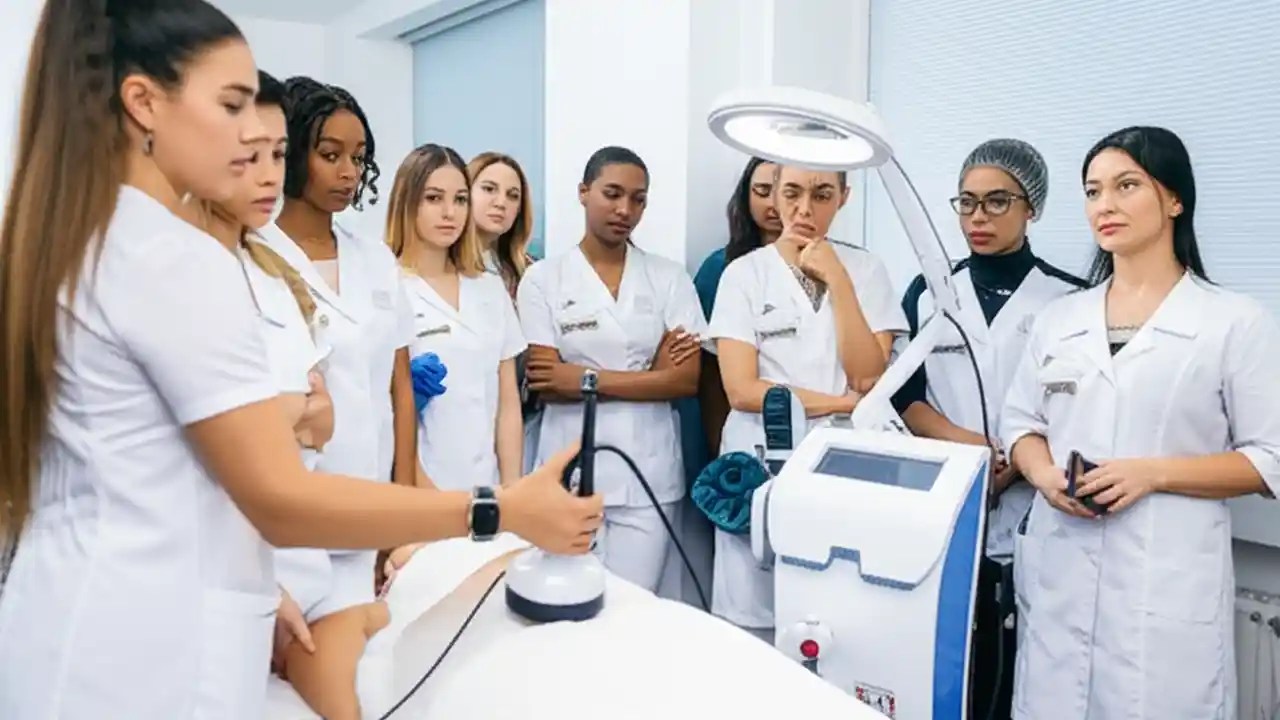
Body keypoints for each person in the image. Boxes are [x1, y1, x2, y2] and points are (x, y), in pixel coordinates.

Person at [0, 3, 599, 717]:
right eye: (231, 104)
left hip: (79, 624)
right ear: (143, 104)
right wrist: (499, 509)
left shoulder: (87, 239)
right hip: (145, 652)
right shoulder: (168, 258)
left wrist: (266, 582)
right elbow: (282, 498)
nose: (255, 133)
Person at [1001, 126, 1280, 719]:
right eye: (1093, 191)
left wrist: (1149, 474)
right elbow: (1021, 423)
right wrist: (1045, 474)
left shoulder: (1233, 321)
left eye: (1127, 186)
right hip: (1061, 574)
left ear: (1175, 199)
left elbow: (1268, 457)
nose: (1105, 205)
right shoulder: (1059, 319)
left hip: (1166, 585)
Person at [198, 71, 399, 720]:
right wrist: (298, 420)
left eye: (276, 155)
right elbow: (239, 428)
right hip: (260, 543)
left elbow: (333, 408)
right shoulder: (213, 264)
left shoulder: (279, 271)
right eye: (327, 154)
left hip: (334, 513)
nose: (265, 172)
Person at [888, 139, 1086, 718]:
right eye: (967, 202)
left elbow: (1080, 410)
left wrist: (1016, 465)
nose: (978, 216)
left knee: (1025, 667)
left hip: (1035, 507)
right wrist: (968, 449)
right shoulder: (929, 292)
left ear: (1034, 208)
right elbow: (905, 395)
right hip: (948, 497)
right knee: (952, 665)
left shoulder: (1070, 299)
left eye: (998, 201)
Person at [707, 163, 906, 641]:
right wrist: (840, 401)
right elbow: (742, 389)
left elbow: (868, 373)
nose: (803, 208)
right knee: (752, 624)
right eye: (791, 192)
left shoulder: (865, 270)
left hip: (841, 469)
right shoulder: (744, 275)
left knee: (831, 622)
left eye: (821, 194)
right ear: (771, 194)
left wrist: (837, 280)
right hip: (761, 466)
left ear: (843, 197)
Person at [517, 146, 705, 593]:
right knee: (568, 604)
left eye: (638, 199)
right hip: (567, 470)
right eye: (612, 194)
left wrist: (582, 378)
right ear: (584, 193)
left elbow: (685, 380)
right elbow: (547, 383)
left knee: (634, 609)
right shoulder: (544, 280)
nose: (625, 210)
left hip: (648, 475)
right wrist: (649, 375)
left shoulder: (669, 278)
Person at [258, 77, 417, 594]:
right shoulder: (251, 254)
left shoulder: (375, 259)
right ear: (292, 151)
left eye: (359, 157)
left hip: (369, 508)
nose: (349, 172)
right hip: (286, 518)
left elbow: (399, 390)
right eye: (331, 154)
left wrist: (403, 508)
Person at [389, 144, 527, 490]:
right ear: (407, 203)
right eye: (434, 198)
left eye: (461, 199)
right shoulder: (387, 287)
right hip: (419, 488)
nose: (450, 212)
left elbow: (508, 404)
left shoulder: (489, 289)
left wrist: (512, 491)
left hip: (487, 489)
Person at [691, 156, 783, 468]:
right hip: (741, 429)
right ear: (745, 197)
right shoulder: (720, 269)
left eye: (783, 191)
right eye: (761, 192)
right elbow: (709, 376)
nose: (772, 205)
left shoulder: (838, 268)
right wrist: (718, 447)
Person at [467, 151, 535, 298]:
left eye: (513, 196)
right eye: (489, 189)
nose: (501, 203)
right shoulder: (440, 266)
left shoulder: (530, 274)